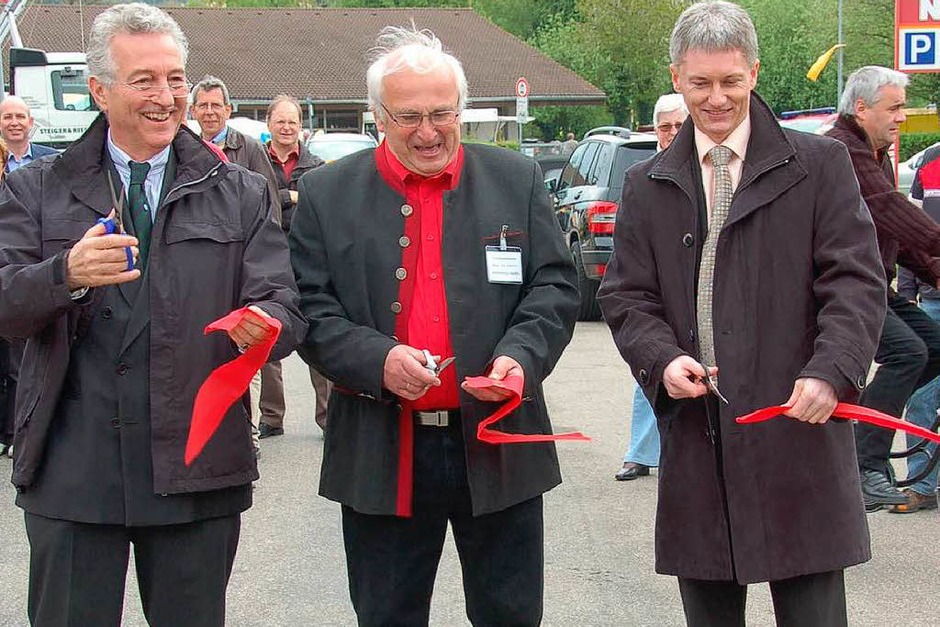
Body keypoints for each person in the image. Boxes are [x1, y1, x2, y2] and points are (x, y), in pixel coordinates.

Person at [0, 4, 304, 624]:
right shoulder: (37, 188)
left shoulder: (239, 191)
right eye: (145, 81)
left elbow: (286, 307)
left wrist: (264, 327)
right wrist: (65, 275)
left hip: (195, 468)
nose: (166, 97)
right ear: (99, 91)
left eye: (176, 79)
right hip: (72, 469)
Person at [597, 2, 885, 625]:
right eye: (700, 83)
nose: (717, 98)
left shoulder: (819, 166)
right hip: (699, 434)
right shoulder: (646, 183)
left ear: (754, 72)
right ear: (676, 77)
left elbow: (856, 282)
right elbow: (625, 297)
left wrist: (832, 371)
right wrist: (663, 359)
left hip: (797, 425)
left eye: (731, 81)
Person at [289, 26, 579, 626]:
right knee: (387, 615)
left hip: (498, 443)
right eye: (408, 117)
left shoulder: (515, 180)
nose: (427, 132)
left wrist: (520, 356)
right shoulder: (324, 195)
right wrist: (377, 361)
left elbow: (553, 287)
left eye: (441, 114)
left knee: (511, 615)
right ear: (377, 116)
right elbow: (310, 311)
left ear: (461, 108)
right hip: (381, 449)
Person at [825, 66, 940, 512]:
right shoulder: (842, 150)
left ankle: (862, 431)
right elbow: (892, 210)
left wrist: (933, 272)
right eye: (893, 108)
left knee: (932, 346)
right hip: (840, 286)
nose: (901, 118)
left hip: (873, 282)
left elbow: (890, 235)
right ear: (861, 108)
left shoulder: (873, 153)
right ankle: (863, 460)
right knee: (908, 353)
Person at [190, 75, 285, 451]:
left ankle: (250, 428)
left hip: (243, 257)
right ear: (193, 111)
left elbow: (269, 202)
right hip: (203, 262)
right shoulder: (185, 147)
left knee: (250, 343)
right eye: (204, 106)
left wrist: (269, 252)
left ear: (228, 111)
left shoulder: (247, 147)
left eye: (217, 106)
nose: (210, 112)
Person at [616, 92, 688, 482]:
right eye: (665, 126)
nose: (672, 133)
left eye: (679, 124)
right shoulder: (641, 178)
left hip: (694, 295)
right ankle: (640, 453)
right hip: (654, 294)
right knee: (649, 369)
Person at [263, 94, 330, 435]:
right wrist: (292, 197)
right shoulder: (257, 161)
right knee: (269, 334)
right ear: (269, 124)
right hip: (268, 257)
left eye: (292, 122)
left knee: (314, 330)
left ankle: (327, 416)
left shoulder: (315, 165)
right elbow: (260, 201)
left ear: (301, 128)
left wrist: (284, 197)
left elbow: (320, 207)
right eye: (280, 121)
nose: (286, 127)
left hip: (304, 258)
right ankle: (271, 418)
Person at [894, 143, 940, 512]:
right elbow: (906, 229)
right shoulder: (929, 161)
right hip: (932, 297)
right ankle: (921, 487)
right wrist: (907, 292)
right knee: (923, 399)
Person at [0, 96, 57, 173]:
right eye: (8, 117)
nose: (14, 123)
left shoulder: (54, 159)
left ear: (30, 122)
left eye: (20, 117)